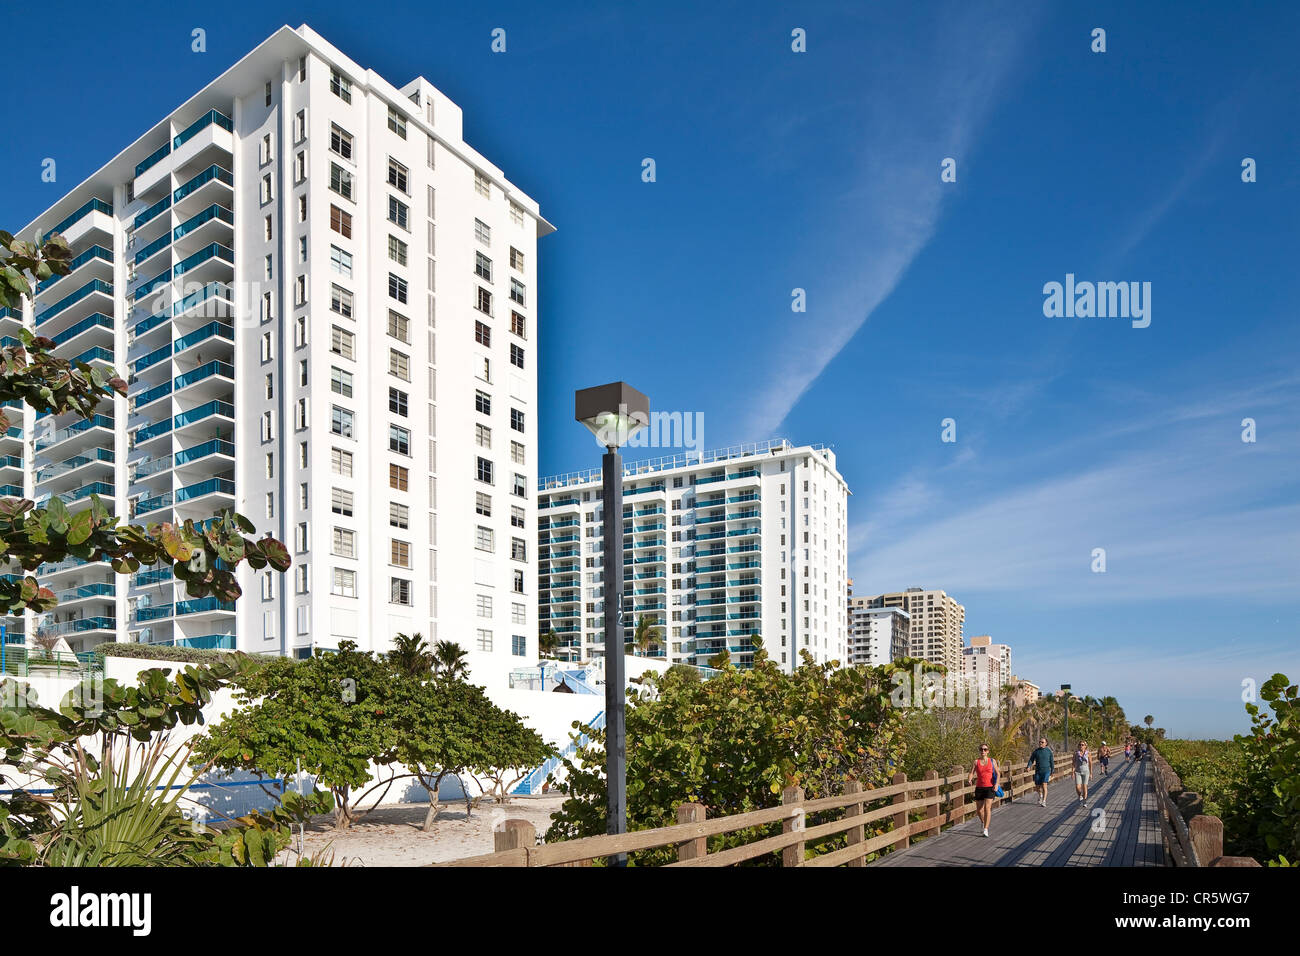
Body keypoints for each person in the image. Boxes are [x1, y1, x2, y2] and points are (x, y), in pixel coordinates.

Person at [967, 744, 999, 838]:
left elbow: (998, 773)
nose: (983, 751)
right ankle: (983, 822)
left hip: (990, 787)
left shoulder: (992, 761)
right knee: (979, 810)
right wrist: (969, 779)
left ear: (988, 751)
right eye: (981, 749)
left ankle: (985, 829)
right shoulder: (976, 762)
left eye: (985, 749)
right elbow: (971, 772)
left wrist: (996, 784)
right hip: (979, 788)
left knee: (987, 808)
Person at [1026, 737, 1054, 807]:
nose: (1040, 743)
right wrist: (1029, 766)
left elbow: (1051, 762)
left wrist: (1052, 770)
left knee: (1044, 785)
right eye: (1040, 742)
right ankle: (1040, 795)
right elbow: (1031, 759)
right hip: (1038, 771)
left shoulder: (1049, 751)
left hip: (1046, 771)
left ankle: (1044, 801)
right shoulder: (1036, 751)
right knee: (1037, 786)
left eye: (1042, 742)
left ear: (1046, 743)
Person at [1073, 740, 1092, 805]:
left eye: (1082, 745)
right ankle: (1080, 795)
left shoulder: (1088, 753)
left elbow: (1090, 763)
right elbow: (1073, 763)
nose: (1081, 746)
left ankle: (1085, 801)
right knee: (1078, 787)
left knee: (1084, 787)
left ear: (1085, 746)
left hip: (1086, 772)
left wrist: (1091, 773)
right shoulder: (1076, 753)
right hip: (1078, 772)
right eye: (1080, 745)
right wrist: (1072, 772)